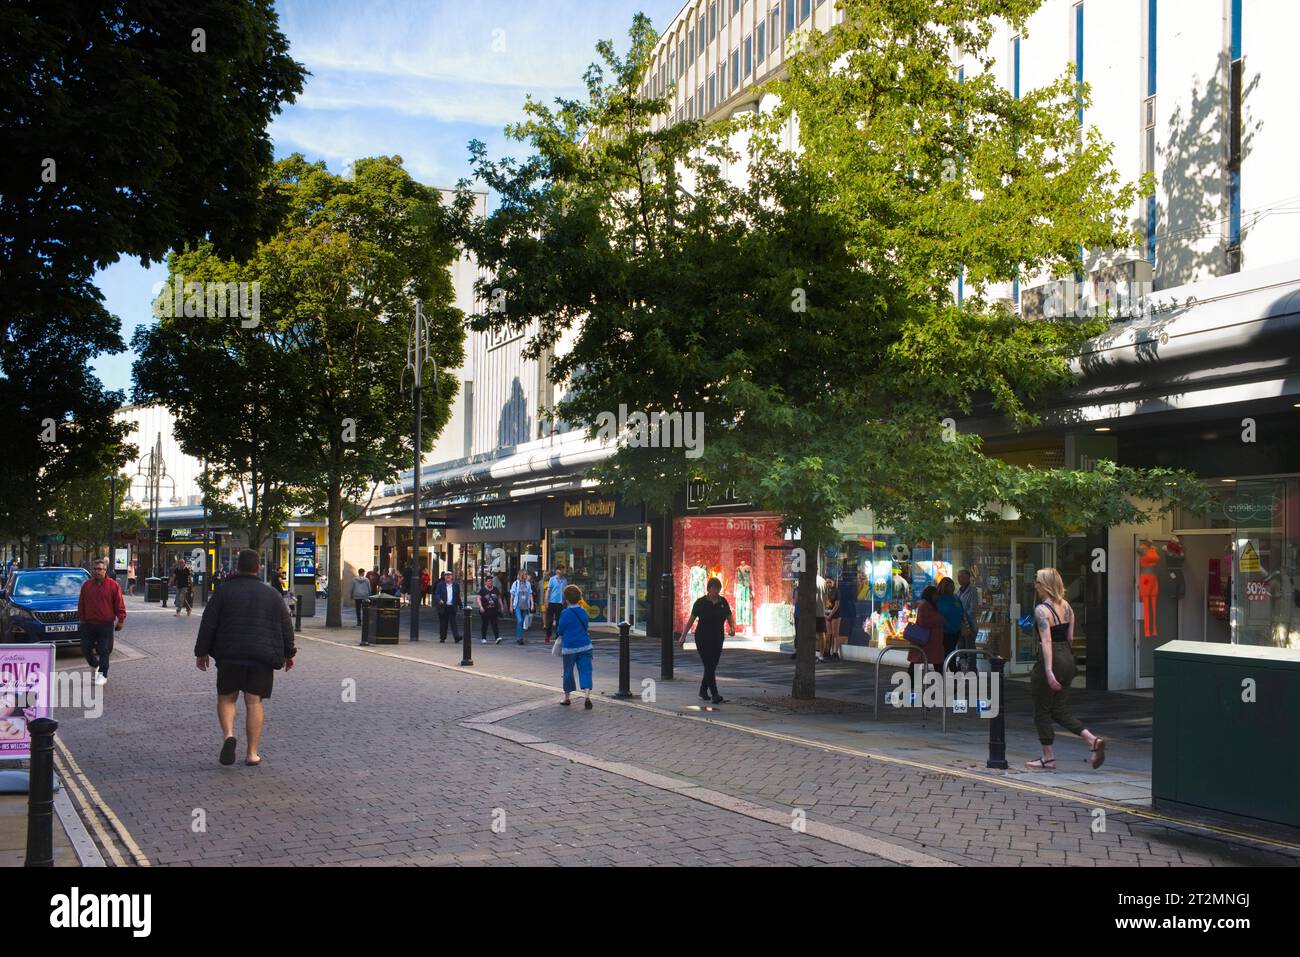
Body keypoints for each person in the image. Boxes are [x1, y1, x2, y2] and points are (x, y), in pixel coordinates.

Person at [194, 548, 296, 767]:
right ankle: (251, 753)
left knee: (226, 698)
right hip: (261, 656)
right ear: (258, 567)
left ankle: (229, 735)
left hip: (229, 654)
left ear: (237, 566)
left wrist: (201, 652)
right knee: (254, 701)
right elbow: (286, 625)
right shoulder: (272, 594)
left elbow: (208, 623)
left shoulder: (223, 591)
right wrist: (289, 653)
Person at [1025, 568, 1105, 771]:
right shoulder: (1067, 606)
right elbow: (1069, 637)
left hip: (1052, 659)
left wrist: (1049, 670)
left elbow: (1046, 641)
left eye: (1037, 581)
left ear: (1044, 585)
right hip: (1068, 659)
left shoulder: (1041, 610)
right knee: (1058, 709)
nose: (1035, 585)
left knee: (1041, 710)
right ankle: (1092, 740)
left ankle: (1048, 757)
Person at [680, 576, 735, 704]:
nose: (716, 591)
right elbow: (691, 620)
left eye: (718, 589)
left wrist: (732, 627)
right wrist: (683, 636)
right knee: (709, 664)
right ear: (708, 589)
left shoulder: (723, 602)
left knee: (712, 665)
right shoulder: (700, 603)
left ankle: (703, 690)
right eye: (714, 588)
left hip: (717, 637)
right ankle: (715, 694)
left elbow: (729, 616)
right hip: (702, 638)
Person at [77, 558, 126, 686]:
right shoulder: (86, 586)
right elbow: (81, 604)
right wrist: (81, 619)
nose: (97, 571)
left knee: (104, 650)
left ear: (105, 571)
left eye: (100, 569)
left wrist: (121, 619)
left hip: (106, 624)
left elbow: (119, 603)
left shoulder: (113, 585)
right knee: (85, 648)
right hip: (88, 624)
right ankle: (95, 664)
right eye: (95, 569)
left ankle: (103, 674)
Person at [556, 583, 593, 709]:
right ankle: (587, 696)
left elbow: (560, 630)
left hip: (570, 647)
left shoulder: (565, 613)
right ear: (579, 598)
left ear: (566, 599)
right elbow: (586, 626)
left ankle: (567, 698)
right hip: (585, 646)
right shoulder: (582, 611)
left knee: (568, 672)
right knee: (586, 671)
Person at [909, 585, 946, 669]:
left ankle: (940, 680)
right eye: (935, 594)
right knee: (917, 663)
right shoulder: (924, 605)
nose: (937, 596)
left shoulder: (932, 605)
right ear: (930, 595)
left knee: (936, 663)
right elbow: (923, 622)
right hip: (926, 641)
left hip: (932, 642)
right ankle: (911, 681)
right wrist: (939, 620)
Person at [935, 576, 963, 670]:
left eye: (953, 585)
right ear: (944, 587)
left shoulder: (955, 597)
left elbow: (962, 611)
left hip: (956, 630)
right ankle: (952, 670)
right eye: (950, 586)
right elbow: (936, 614)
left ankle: (949, 670)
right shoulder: (938, 599)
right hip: (945, 631)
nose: (953, 588)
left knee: (951, 651)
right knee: (950, 651)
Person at [544, 565, 569, 644]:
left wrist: (567, 601)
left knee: (559, 621)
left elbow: (565, 592)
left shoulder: (565, 580)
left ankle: (557, 636)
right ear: (558, 571)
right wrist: (546, 601)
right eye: (562, 570)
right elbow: (548, 590)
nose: (564, 572)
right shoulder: (552, 579)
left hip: (560, 603)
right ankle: (548, 635)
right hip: (552, 602)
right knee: (549, 621)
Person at [434, 570, 462, 643]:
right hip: (443, 606)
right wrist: (439, 600)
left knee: (454, 623)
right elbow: (436, 594)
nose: (448, 577)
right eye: (446, 576)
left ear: (452, 577)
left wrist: (460, 605)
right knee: (443, 623)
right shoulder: (440, 585)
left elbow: (457, 596)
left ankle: (457, 637)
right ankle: (442, 637)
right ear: (444, 577)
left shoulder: (456, 585)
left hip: (452, 606)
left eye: (449, 576)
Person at [510, 569, 534, 644]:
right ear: (521, 575)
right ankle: (519, 638)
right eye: (525, 574)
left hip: (525, 606)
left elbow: (530, 594)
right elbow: (512, 595)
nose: (526, 576)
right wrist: (511, 606)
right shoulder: (516, 583)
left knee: (522, 622)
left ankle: (520, 637)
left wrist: (532, 603)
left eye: (527, 574)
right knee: (519, 620)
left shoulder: (528, 584)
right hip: (517, 605)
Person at [478, 573, 503, 644]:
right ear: (486, 582)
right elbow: (478, 598)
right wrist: (480, 606)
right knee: (484, 625)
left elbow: (499, 598)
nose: (490, 582)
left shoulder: (495, 589)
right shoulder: (482, 590)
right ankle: (483, 638)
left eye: (491, 581)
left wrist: (502, 606)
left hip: (494, 610)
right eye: (488, 581)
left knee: (495, 624)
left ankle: (497, 637)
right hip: (485, 610)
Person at [824, 578, 842, 661]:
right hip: (827, 613)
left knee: (835, 633)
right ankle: (827, 651)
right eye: (827, 582)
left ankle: (835, 653)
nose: (828, 584)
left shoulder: (836, 591)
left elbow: (837, 605)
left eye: (830, 582)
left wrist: (830, 615)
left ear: (833, 582)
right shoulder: (826, 591)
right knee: (829, 633)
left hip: (835, 615)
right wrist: (825, 614)